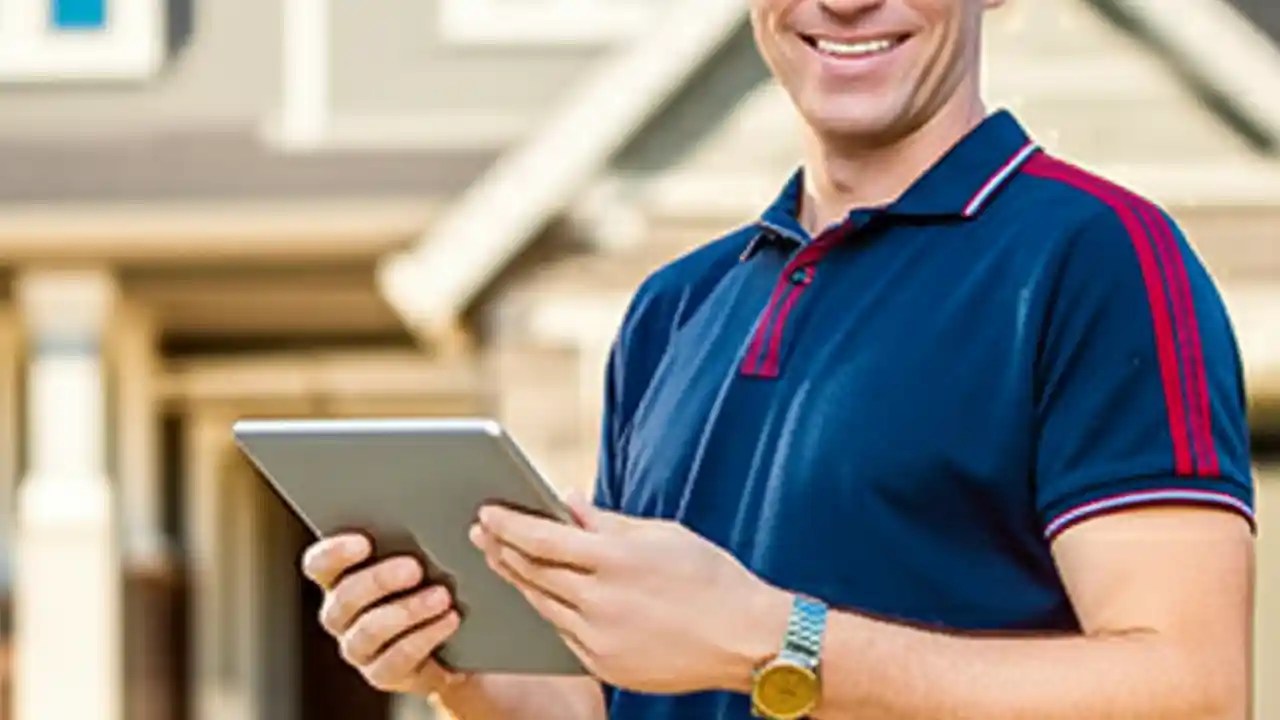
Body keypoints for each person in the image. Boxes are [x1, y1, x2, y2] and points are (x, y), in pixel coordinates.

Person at [301, 0, 1258, 717]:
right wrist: (462, 669)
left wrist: (770, 637)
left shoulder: (1097, 257)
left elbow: (1190, 693)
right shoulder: (672, 311)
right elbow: (642, 695)